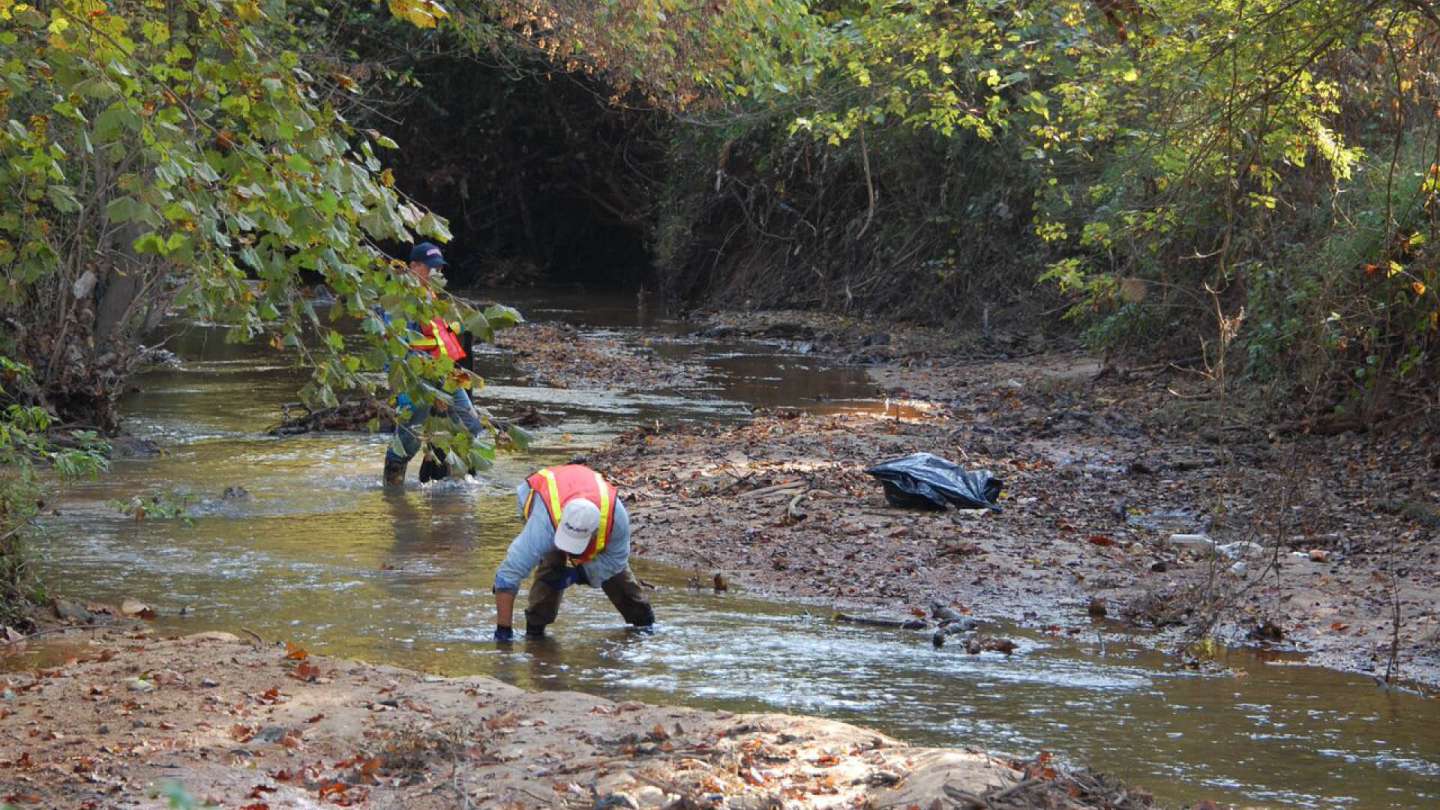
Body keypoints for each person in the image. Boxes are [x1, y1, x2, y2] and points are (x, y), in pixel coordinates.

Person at [491, 464, 655, 641]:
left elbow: (616, 560)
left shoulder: (616, 520)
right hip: (539, 495)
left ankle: (644, 625)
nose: (568, 549)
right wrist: (503, 631)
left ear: (594, 533)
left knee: (618, 578)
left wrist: (579, 574)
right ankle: (536, 630)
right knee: (551, 568)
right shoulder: (543, 526)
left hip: (586, 497)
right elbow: (508, 575)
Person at [382, 242, 486, 486]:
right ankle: (392, 490)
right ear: (413, 266)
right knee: (410, 436)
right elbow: (394, 344)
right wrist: (403, 388)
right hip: (415, 378)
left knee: (470, 425)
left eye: (439, 268)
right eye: (430, 268)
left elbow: (440, 336)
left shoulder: (434, 297)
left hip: (444, 374)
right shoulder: (400, 299)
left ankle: (453, 485)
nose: (435, 273)